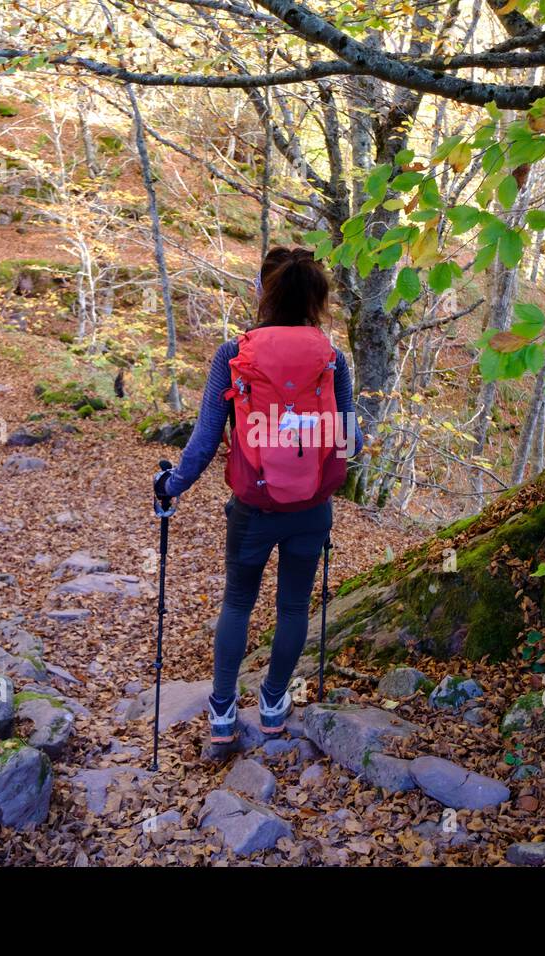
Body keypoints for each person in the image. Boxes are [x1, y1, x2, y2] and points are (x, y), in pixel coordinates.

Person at [153, 246, 363, 746]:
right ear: (318, 299)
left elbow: (205, 441)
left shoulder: (234, 354)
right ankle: (273, 703)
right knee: (293, 609)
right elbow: (350, 441)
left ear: (262, 292)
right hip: (311, 508)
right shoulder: (333, 360)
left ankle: (223, 712)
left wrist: (170, 487)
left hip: (253, 505)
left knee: (238, 602)